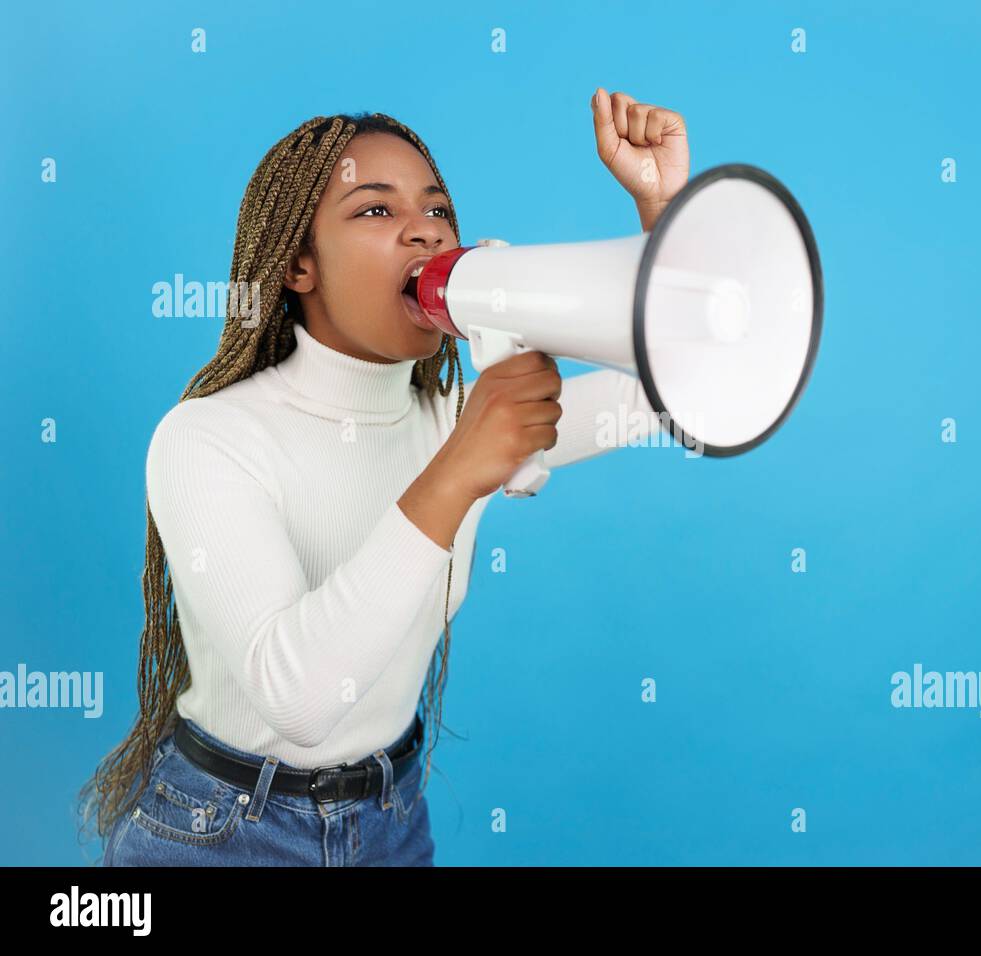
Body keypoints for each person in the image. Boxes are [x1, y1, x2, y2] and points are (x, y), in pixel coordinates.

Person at [78, 89, 691, 866]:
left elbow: (676, 390)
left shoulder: (451, 419)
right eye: (374, 210)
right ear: (298, 263)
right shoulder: (207, 438)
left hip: (390, 820)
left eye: (438, 209)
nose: (426, 227)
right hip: (223, 834)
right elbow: (298, 698)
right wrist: (460, 467)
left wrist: (666, 224)